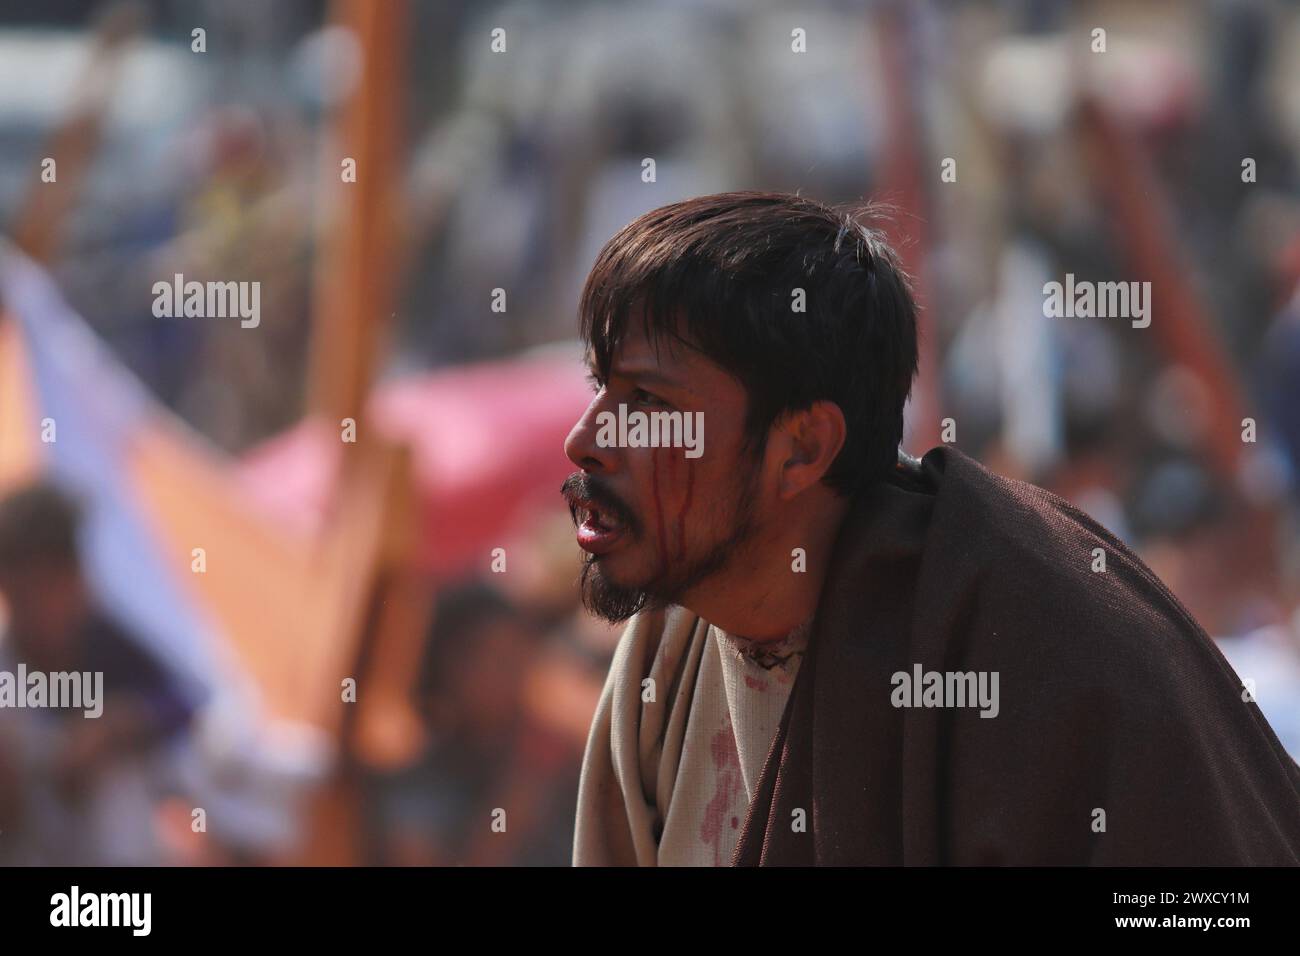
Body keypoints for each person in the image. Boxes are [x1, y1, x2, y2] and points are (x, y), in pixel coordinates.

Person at [562, 190, 1300, 866]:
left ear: (803, 448)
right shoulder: (665, 659)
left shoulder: (1047, 650)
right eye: (600, 387)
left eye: (647, 401)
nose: (584, 440)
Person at [0, 482, 194, 865]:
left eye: (53, 585)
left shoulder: (109, 643)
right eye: (28, 591)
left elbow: (188, 699)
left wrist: (117, 725)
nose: (43, 607)